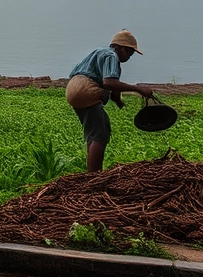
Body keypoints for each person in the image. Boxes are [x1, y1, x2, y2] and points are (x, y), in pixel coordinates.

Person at [68, 30, 159, 173]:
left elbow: (113, 89)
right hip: (86, 89)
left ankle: (91, 173)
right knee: (100, 133)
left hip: (73, 88)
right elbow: (109, 82)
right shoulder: (111, 56)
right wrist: (138, 89)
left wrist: (118, 101)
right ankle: (94, 175)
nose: (130, 56)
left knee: (94, 131)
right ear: (121, 48)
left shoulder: (100, 52)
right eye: (130, 52)